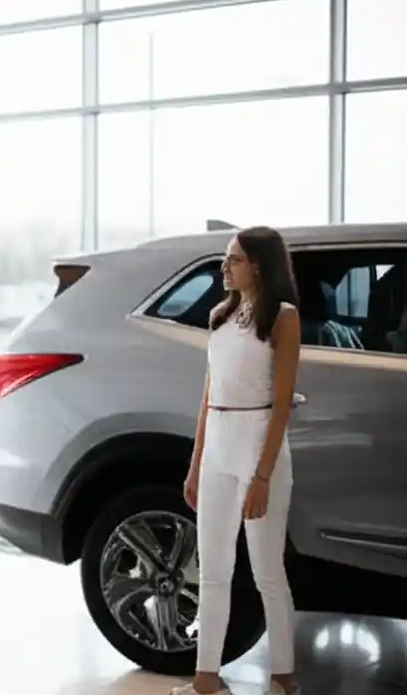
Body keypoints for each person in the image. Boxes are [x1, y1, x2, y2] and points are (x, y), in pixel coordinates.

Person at [173, 227, 302, 695]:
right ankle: (206, 678)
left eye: (234, 260)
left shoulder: (283, 319)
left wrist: (262, 475)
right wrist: (195, 464)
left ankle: (284, 677)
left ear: (259, 266)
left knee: (268, 570)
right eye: (226, 259)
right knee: (212, 570)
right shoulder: (220, 317)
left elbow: (283, 403)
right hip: (218, 448)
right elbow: (209, 398)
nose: (225, 267)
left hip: (258, 445)